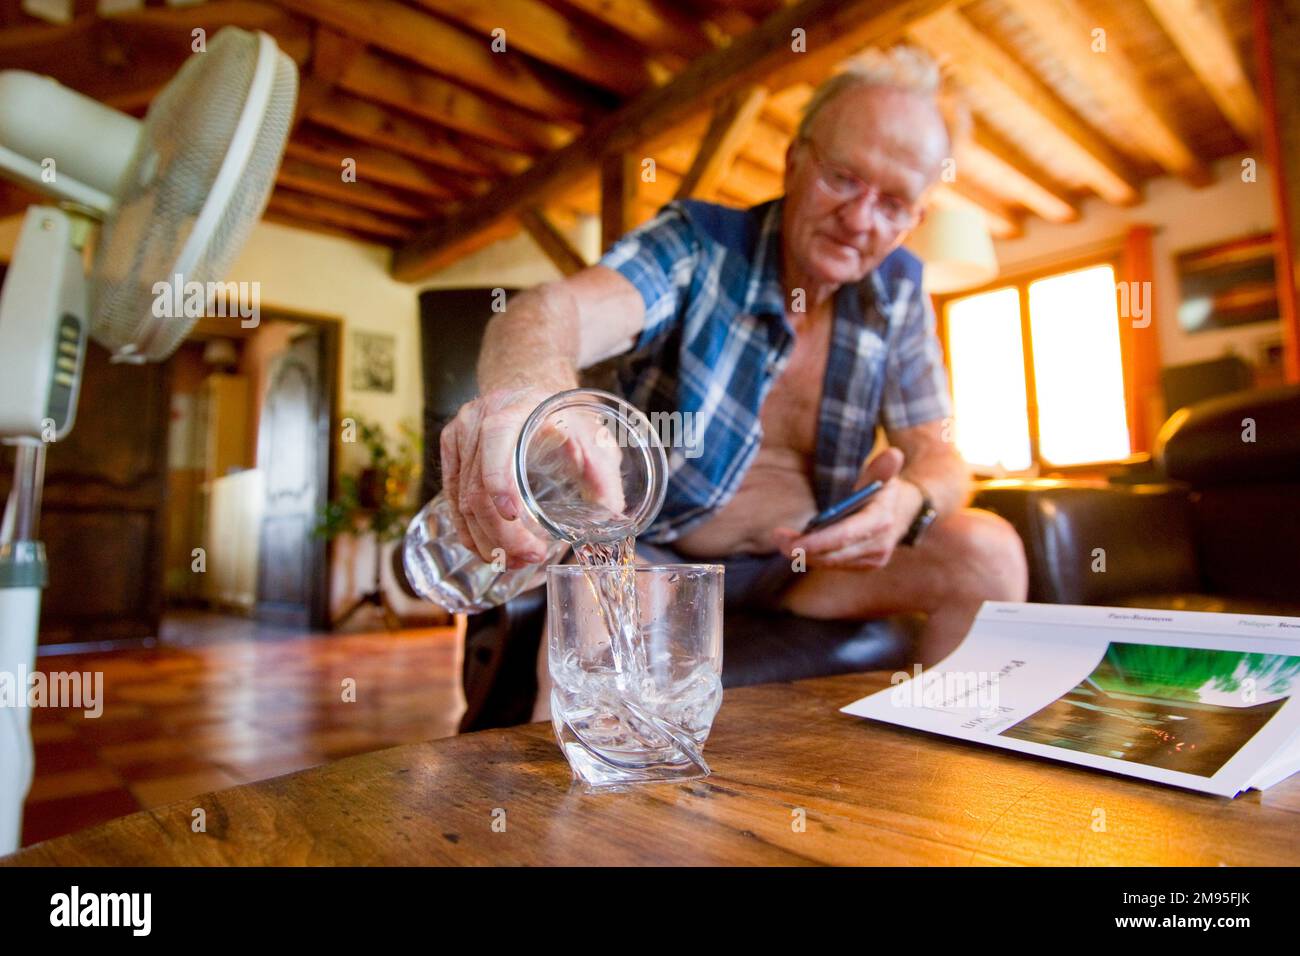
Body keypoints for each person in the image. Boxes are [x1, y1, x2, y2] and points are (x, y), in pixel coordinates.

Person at [438, 46, 1028, 721]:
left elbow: (939, 453)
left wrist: (911, 501)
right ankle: (571, 815)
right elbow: (550, 311)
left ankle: (940, 783)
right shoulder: (697, 243)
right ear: (796, 160)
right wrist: (529, 397)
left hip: (804, 570)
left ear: (916, 218)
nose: (862, 220)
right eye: (842, 178)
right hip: (657, 554)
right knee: (595, 676)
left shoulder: (899, 293)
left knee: (989, 554)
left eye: (893, 204)